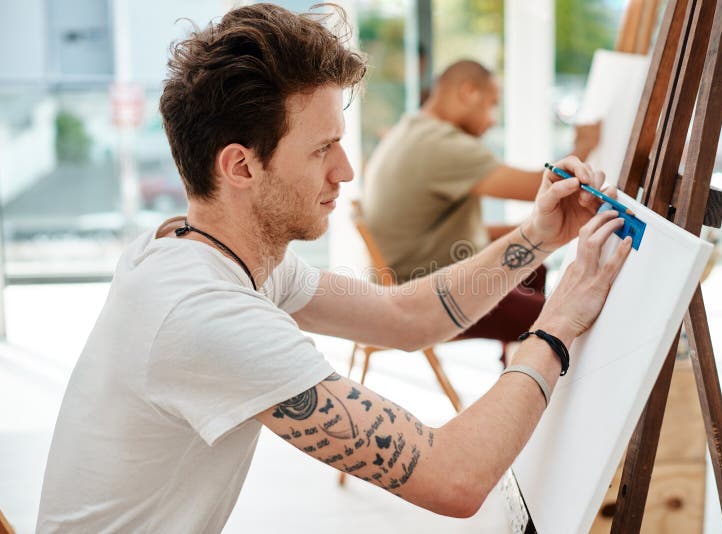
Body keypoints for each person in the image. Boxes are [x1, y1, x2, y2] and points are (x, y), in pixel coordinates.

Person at [36, 4, 631, 532]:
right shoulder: (203, 315)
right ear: (241, 167)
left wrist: (537, 237)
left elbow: (406, 316)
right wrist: (557, 324)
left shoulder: (217, 253)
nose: (344, 170)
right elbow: (454, 478)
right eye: (322, 148)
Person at [362, 60, 601, 344]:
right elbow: (538, 187)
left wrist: (536, 231)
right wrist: (584, 146)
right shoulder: (441, 145)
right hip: (422, 291)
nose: (492, 120)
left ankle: (516, 359)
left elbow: (444, 234)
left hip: (409, 274)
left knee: (534, 267)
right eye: (491, 105)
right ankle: (527, 361)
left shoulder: (413, 129)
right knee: (561, 320)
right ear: (468, 92)